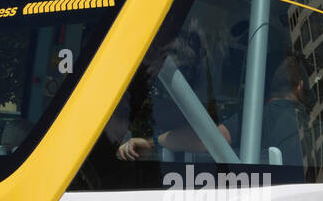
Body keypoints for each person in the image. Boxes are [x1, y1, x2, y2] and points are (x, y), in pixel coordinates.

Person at [116, 55, 307, 165]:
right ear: (299, 87)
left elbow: (205, 140)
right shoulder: (315, 123)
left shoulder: (257, 119)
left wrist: (152, 142)